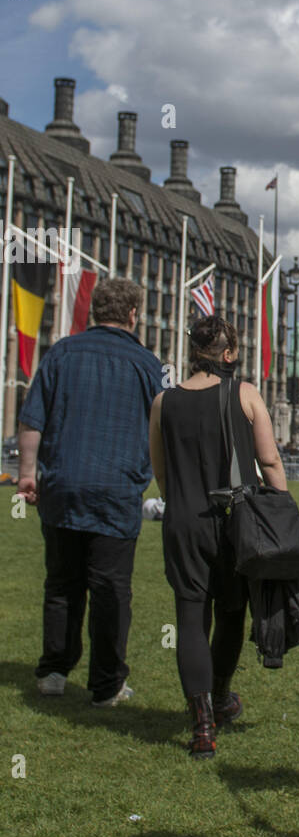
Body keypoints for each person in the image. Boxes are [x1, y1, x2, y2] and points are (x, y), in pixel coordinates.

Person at [18, 279, 164, 706]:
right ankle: (106, 685)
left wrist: (28, 474)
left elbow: (32, 420)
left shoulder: (61, 352)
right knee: (111, 589)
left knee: (62, 583)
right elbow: (163, 429)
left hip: (63, 485)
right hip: (117, 490)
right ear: (133, 314)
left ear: (94, 310)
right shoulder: (146, 363)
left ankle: (54, 672)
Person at [149, 315, 288, 759]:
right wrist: (282, 513)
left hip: (184, 520)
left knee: (191, 618)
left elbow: (160, 472)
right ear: (228, 354)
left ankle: (202, 725)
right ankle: (222, 698)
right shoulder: (245, 393)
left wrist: (182, 504)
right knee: (231, 614)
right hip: (236, 521)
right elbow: (269, 462)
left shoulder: (163, 401)